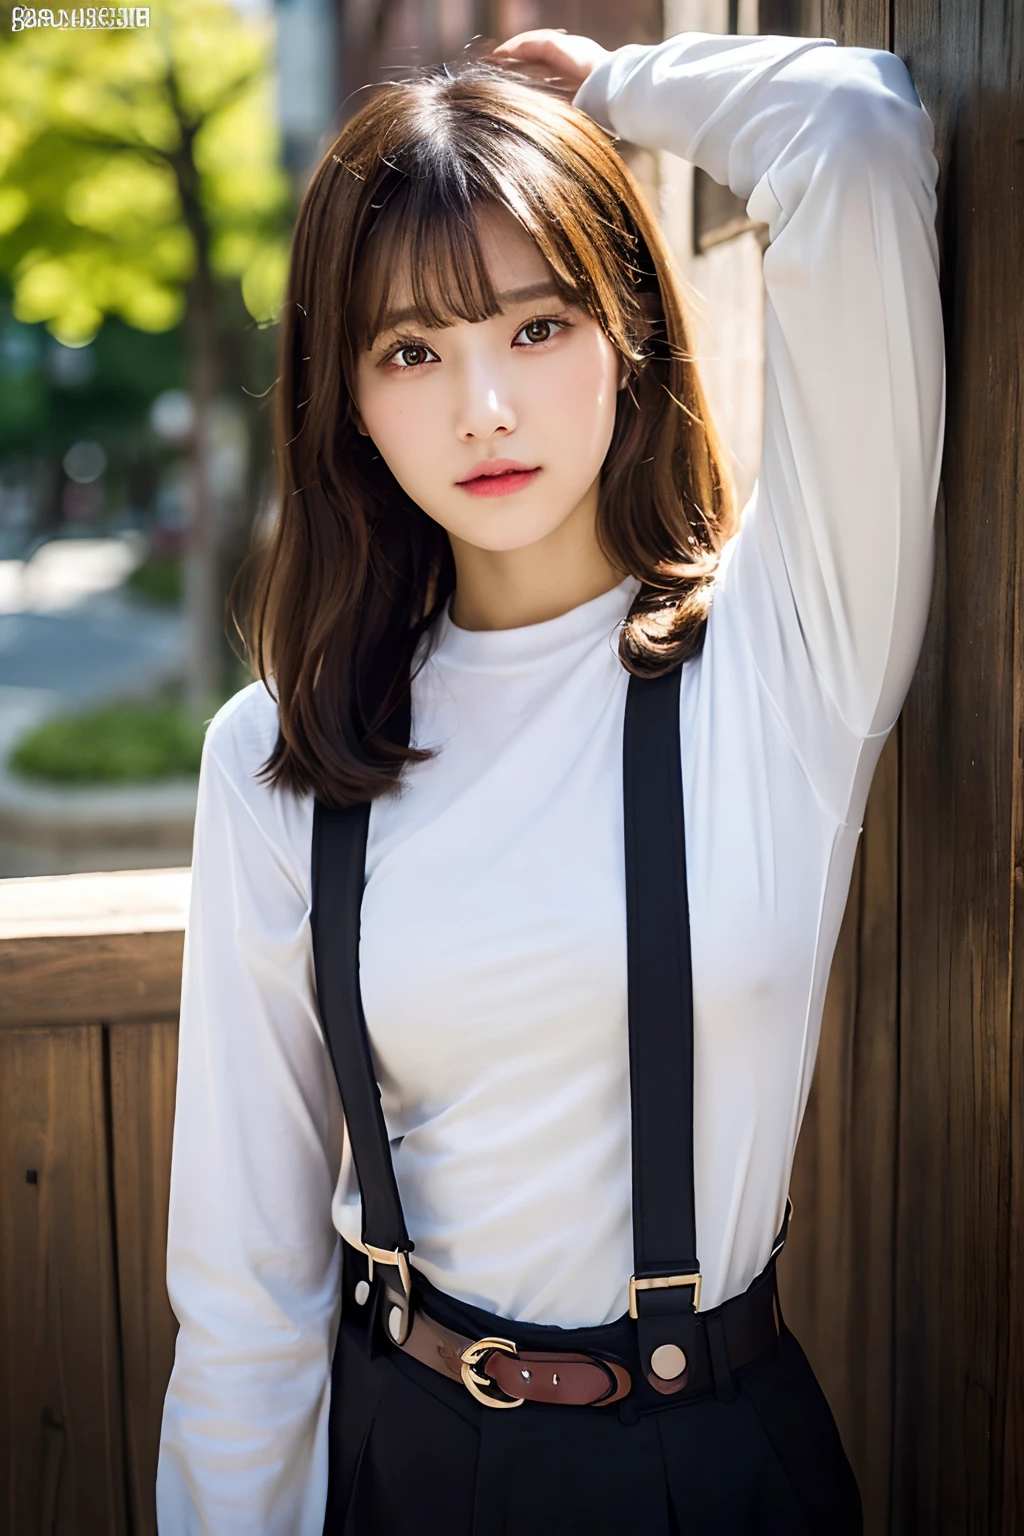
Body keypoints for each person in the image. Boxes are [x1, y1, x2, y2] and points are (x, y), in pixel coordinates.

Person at [156, 24, 944, 1536]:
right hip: (405, 1461)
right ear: (347, 400)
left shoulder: (788, 655)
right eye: (411, 351)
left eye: (534, 325)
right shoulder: (273, 763)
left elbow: (851, 134)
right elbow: (248, 1301)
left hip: (711, 1467)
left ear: (629, 321)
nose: (484, 411)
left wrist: (617, 94)